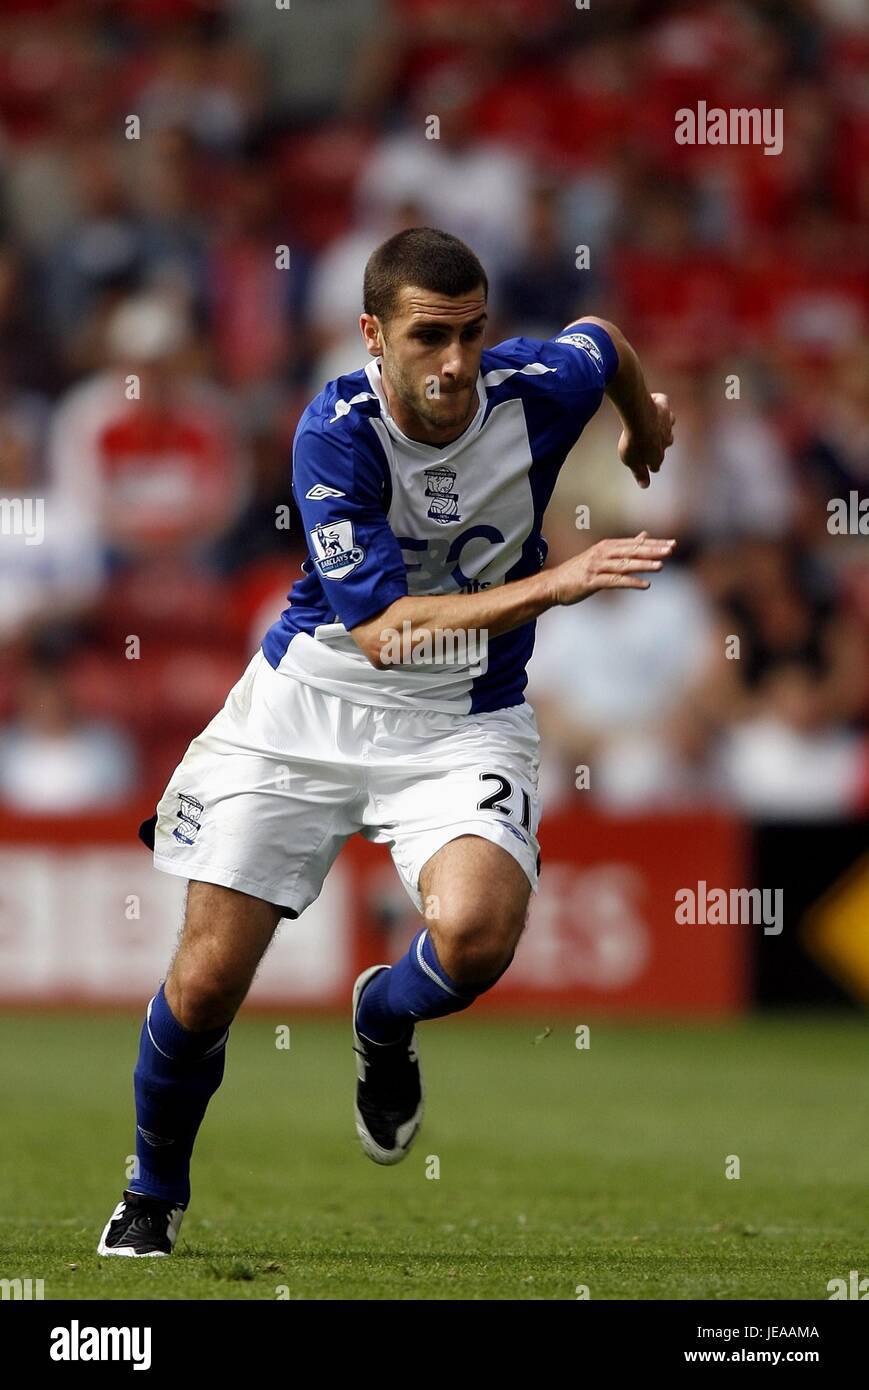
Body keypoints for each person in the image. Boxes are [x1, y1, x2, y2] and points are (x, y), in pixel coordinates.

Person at [97, 227, 675, 1256]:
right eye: (427, 338)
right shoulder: (333, 429)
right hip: (308, 708)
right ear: (373, 335)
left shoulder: (536, 386)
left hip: (461, 717)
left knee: (478, 936)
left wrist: (641, 427)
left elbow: (603, 339)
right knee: (205, 981)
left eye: (469, 334)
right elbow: (382, 630)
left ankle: (383, 1017)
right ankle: (151, 1191)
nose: (455, 362)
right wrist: (555, 581)